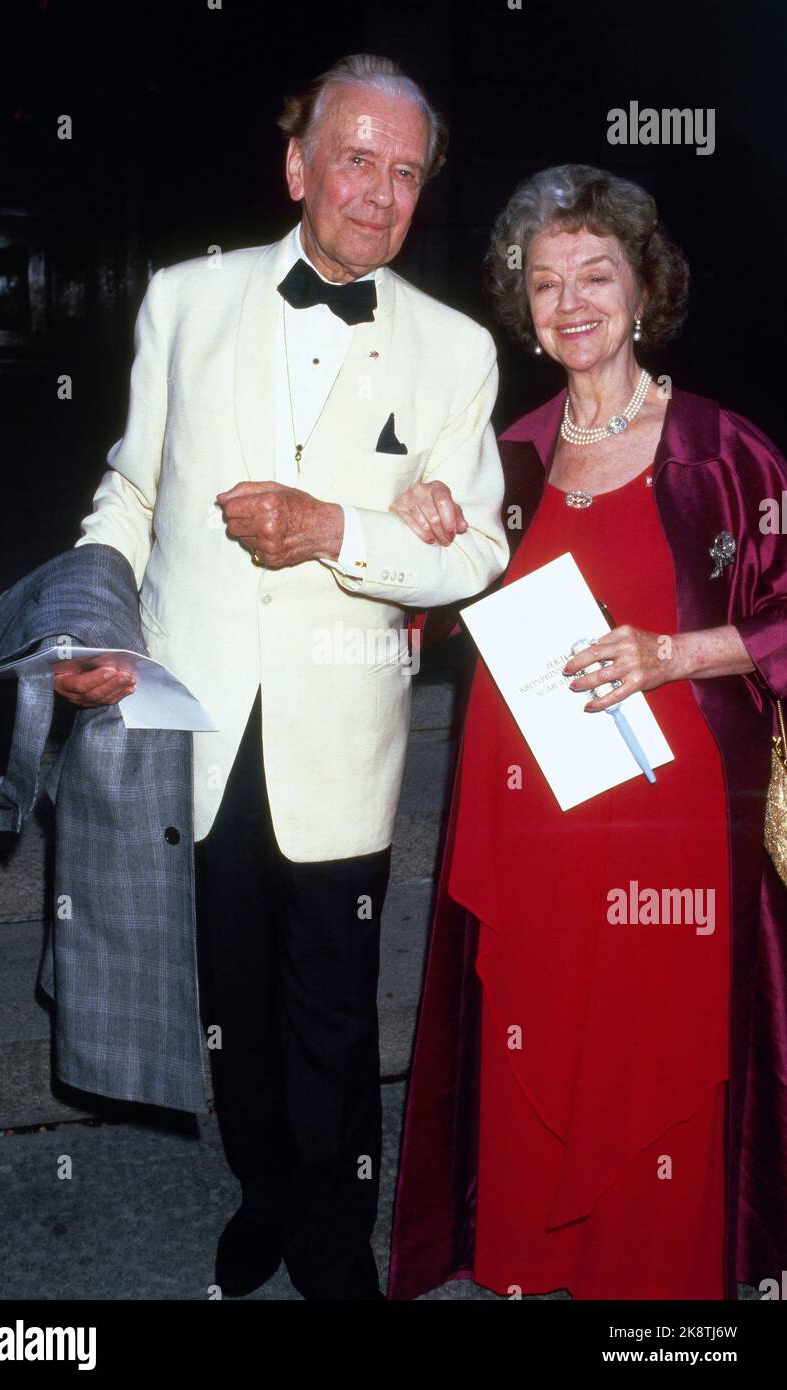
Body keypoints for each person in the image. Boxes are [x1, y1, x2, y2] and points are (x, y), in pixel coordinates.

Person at [52, 53, 509, 1301]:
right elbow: (130, 491)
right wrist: (92, 622)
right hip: (194, 720)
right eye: (355, 158)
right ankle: (262, 1190)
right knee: (235, 1002)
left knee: (334, 1012)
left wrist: (339, 534)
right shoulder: (182, 302)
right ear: (298, 164)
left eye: (405, 171)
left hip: (338, 732)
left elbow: (475, 546)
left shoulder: (456, 349)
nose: (378, 191)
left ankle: (332, 1232)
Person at [387, 164, 787, 1301]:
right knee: (536, 1037)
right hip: (533, 832)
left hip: (668, 841)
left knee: (649, 1064)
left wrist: (676, 653)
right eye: (543, 282)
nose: (568, 303)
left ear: (641, 289)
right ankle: (535, 1260)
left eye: (593, 276)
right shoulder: (502, 453)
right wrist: (421, 526)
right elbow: (426, 604)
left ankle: (653, 1289)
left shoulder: (719, 449)